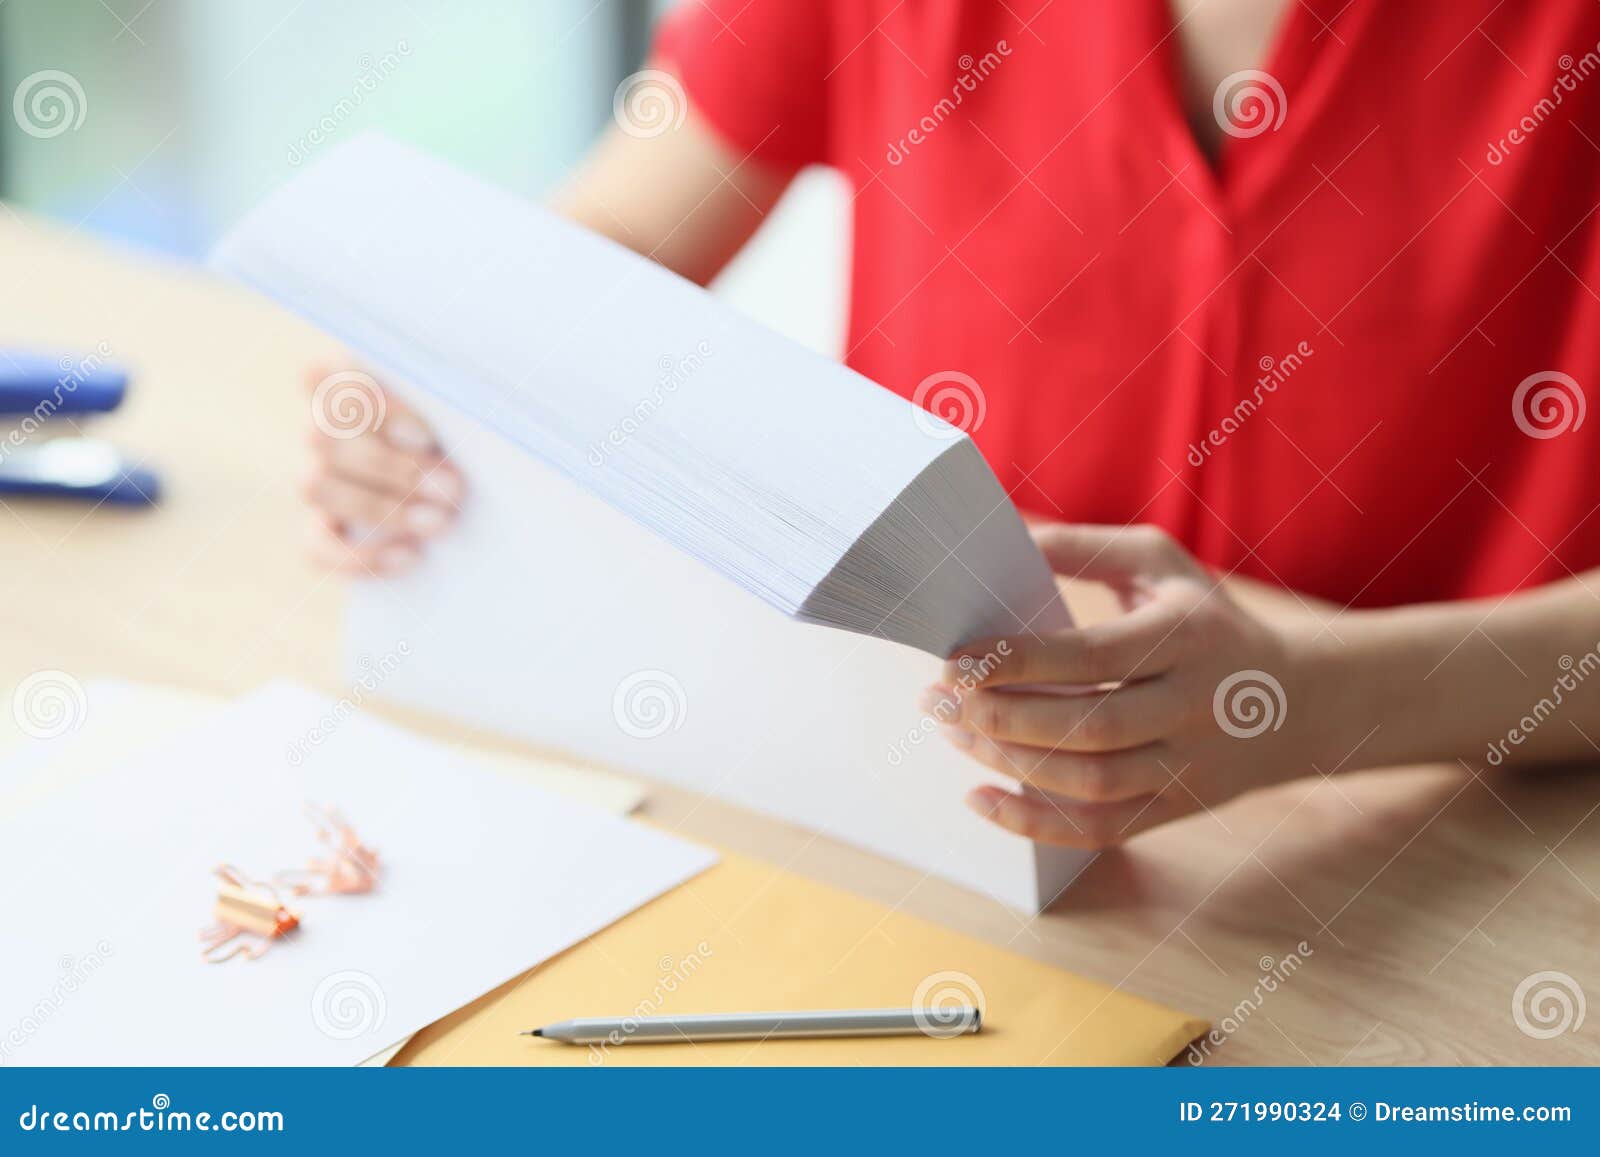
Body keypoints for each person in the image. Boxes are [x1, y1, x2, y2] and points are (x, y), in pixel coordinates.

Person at [302, 0, 1600, 850]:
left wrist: (1308, 703)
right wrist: (437, 374)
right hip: (918, 806)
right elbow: (627, 231)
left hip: (1466, 837)